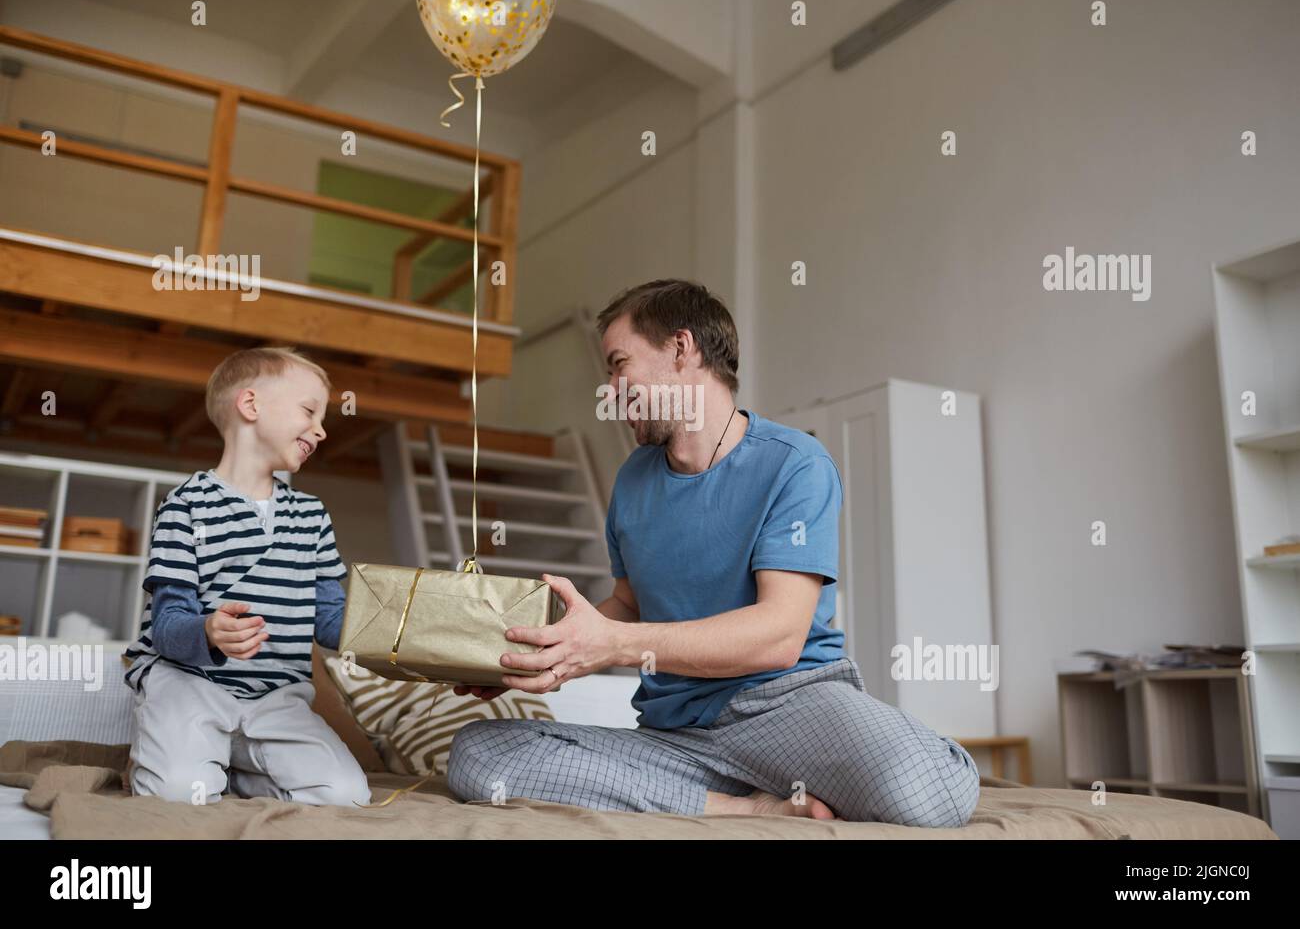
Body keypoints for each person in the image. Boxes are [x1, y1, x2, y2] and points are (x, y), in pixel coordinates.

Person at [446, 279, 980, 824]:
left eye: (619, 363)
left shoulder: (795, 464)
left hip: (788, 707)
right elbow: (629, 605)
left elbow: (779, 635)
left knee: (930, 790)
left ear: (682, 349)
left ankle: (749, 790)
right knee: (478, 757)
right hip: (679, 736)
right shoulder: (633, 481)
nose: (609, 389)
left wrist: (613, 644)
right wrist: (546, 652)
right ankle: (747, 809)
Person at [122, 346, 370, 807]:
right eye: (310, 411)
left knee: (346, 797)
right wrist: (209, 631)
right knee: (177, 794)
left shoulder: (312, 516)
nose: (321, 429)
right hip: (191, 684)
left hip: (278, 697)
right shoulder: (185, 505)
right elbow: (167, 626)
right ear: (251, 405)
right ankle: (190, 762)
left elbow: (331, 619)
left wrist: (401, 638)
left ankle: (226, 768)